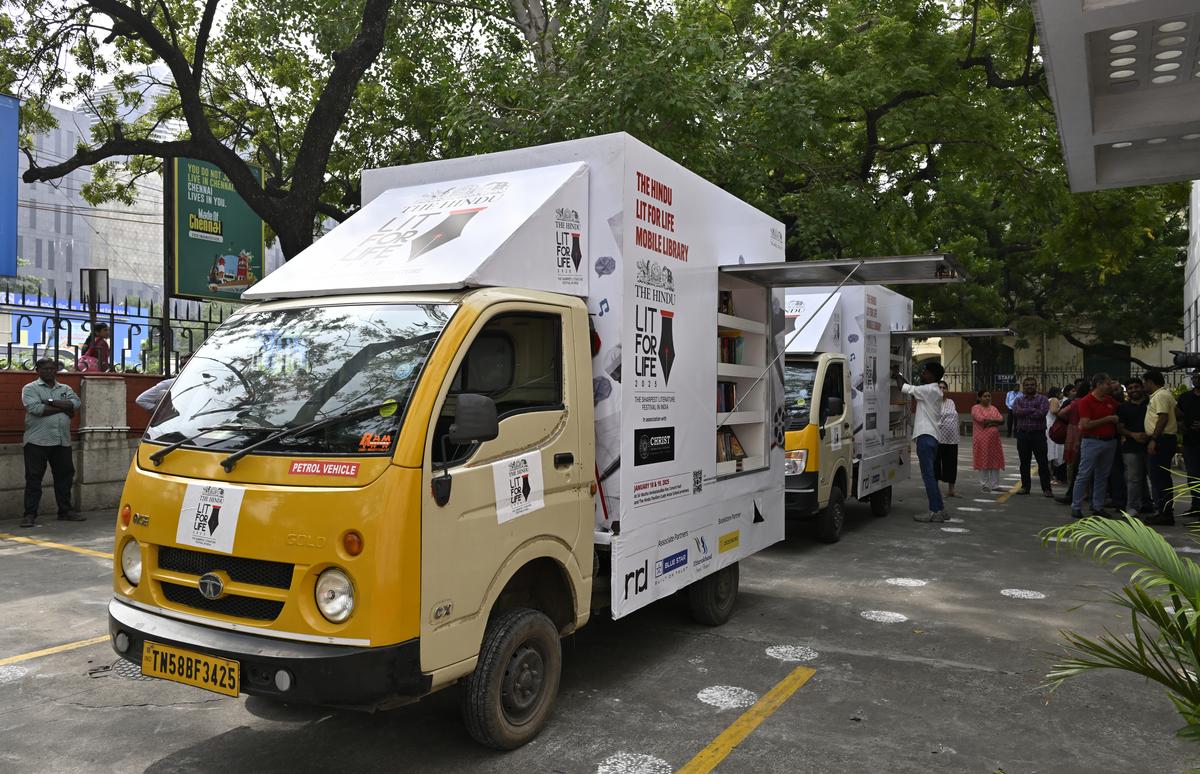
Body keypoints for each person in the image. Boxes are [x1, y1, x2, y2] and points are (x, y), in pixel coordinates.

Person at [21, 358, 84, 528]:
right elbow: (36, 409)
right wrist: (64, 408)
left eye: (52, 368)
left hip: (61, 441)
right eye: (45, 369)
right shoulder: (30, 388)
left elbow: (76, 403)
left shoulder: (65, 388)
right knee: (34, 479)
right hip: (37, 441)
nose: (49, 371)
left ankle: (65, 511)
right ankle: (29, 514)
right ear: (38, 370)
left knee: (64, 477)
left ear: (56, 370)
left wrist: (48, 401)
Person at [893, 361, 948, 522]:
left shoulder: (929, 389)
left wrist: (896, 375)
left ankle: (934, 511)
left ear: (931, 375)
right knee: (931, 476)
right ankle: (940, 509)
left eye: (925, 372)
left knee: (928, 476)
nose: (923, 374)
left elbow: (904, 388)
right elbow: (912, 388)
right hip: (932, 438)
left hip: (925, 437)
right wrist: (900, 376)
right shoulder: (933, 390)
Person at [1071, 373, 1119, 520]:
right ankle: (1076, 506)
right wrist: (1108, 419)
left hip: (1109, 441)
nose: (1110, 386)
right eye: (1108, 384)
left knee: (1102, 476)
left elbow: (1121, 409)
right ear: (1099, 385)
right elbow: (1085, 424)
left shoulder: (1109, 400)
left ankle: (1098, 506)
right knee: (1084, 474)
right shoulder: (1086, 401)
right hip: (1092, 441)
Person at [1143, 370, 1179, 525]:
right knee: (1160, 477)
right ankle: (1163, 511)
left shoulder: (1161, 395)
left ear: (1150, 381)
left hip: (1162, 440)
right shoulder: (1163, 395)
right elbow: (1177, 412)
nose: (1144, 385)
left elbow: (1163, 417)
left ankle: (1164, 513)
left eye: (1145, 382)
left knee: (1159, 478)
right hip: (1164, 439)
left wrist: (1154, 439)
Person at [1116, 377, 1153, 516]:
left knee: (1154, 479)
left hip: (1151, 446)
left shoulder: (1151, 403)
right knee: (1133, 479)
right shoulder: (1123, 407)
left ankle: (1154, 505)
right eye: (1130, 388)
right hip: (1131, 448)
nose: (1133, 390)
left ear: (1142, 387)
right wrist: (1133, 435)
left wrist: (1150, 436)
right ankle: (1132, 507)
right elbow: (1120, 428)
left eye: (1136, 387)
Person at [1011, 376, 1053, 497]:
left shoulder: (1043, 399)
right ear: (1023, 387)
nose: (1030, 387)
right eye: (1027, 385)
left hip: (1038, 435)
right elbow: (1016, 412)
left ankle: (1046, 489)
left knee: (1043, 462)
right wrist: (1032, 410)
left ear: (1036, 386)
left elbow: (1041, 414)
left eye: (1032, 385)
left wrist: (1025, 411)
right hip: (1023, 435)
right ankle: (1025, 487)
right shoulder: (1018, 400)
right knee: (1024, 462)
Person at [971, 390, 1006, 492]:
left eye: (989, 396)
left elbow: (1002, 420)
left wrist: (992, 422)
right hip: (981, 440)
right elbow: (982, 420)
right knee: (983, 460)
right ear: (979, 398)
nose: (987, 398)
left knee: (995, 460)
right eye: (985, 396)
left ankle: (995, 485)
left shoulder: (993, 408)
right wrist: (995, 422)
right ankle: (985, 485)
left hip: (994, 440)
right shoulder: (975, 408)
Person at [1176, 369, 1200, 517]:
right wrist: (1181, 426)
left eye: (1199, 376)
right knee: (1193, 476)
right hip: (1190, 442)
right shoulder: (1185, 397)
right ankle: (1196, 505)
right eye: (1194, 376)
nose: (1196, 379)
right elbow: (1177, 414)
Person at [933, 380, 960, 499]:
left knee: (951, 464)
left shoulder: (951, 402)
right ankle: (935, 490)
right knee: (936, 464)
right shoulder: (933, 403)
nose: (942, 390)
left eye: (944, 388)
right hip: (938, 438)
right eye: (939, 387)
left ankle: (951, 490)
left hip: (952, 439)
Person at [1046, 387, 1066, 483]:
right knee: (1051, 452)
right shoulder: (1054, 400)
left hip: (1050, 425)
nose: (1062, 394)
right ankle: (1050, 476)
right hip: (1052, 426)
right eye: (1060, 393)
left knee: (1051, 452)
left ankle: (1051, 475)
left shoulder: (1050, 400)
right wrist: (1065, 411)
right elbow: (1054, 411)